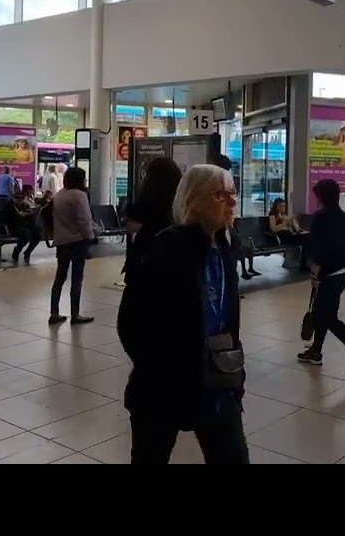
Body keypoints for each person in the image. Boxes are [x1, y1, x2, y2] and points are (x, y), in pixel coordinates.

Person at [126, 164, 249, 464]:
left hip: (219, 382)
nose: (232, 202)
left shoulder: (224, 247)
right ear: (195, 199)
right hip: (164, 385)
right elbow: (130, 324)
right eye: (221, 195)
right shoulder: (167, 248)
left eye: (233, 193)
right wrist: (163, 366)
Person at [297, 179, 345, 377]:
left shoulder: (320, 218)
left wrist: (315, 270)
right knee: (324, 312)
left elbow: (317, 248)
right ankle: (316, 351)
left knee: (327, 317)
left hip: (329, 273)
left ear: (321, 196)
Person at [117, 157, 182, 358]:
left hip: (144, 264)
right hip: (173, 267)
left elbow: (131, 227)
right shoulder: (180, 201)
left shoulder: (145, 201)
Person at [49, 166, 97, 325]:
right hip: (77, 242)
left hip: (61, 241)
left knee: (60, 277)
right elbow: (84, 220)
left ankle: (54, 312)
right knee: (77, 279)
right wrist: (91, 236)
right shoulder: (80, 196)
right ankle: (75, 314)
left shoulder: (59, 195)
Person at [267, 197, 309, 271]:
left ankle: (305, 262)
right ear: (276, 206)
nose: (282, 208)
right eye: (280, 206)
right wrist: (283, 224)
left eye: (283, 206)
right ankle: (304, 263)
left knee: (307, 238)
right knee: (305, 241)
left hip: (289, 234)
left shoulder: (284, 216)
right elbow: (273, 229)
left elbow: (292, 224)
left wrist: (293, 224)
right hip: (281, 237)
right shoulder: (273, 216)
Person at [9, 184, 42, 265]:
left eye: (21, 199)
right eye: (18, 199)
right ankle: (16, 251)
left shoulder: (24, 205)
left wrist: (29, 214)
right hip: (14, 226)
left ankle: (27, 252)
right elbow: (7, 218)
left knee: (38, 234)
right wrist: (19, 215)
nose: (20, 201)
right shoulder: (10, 206)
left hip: (25, 225)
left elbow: (29, 216)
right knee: (26, 235)